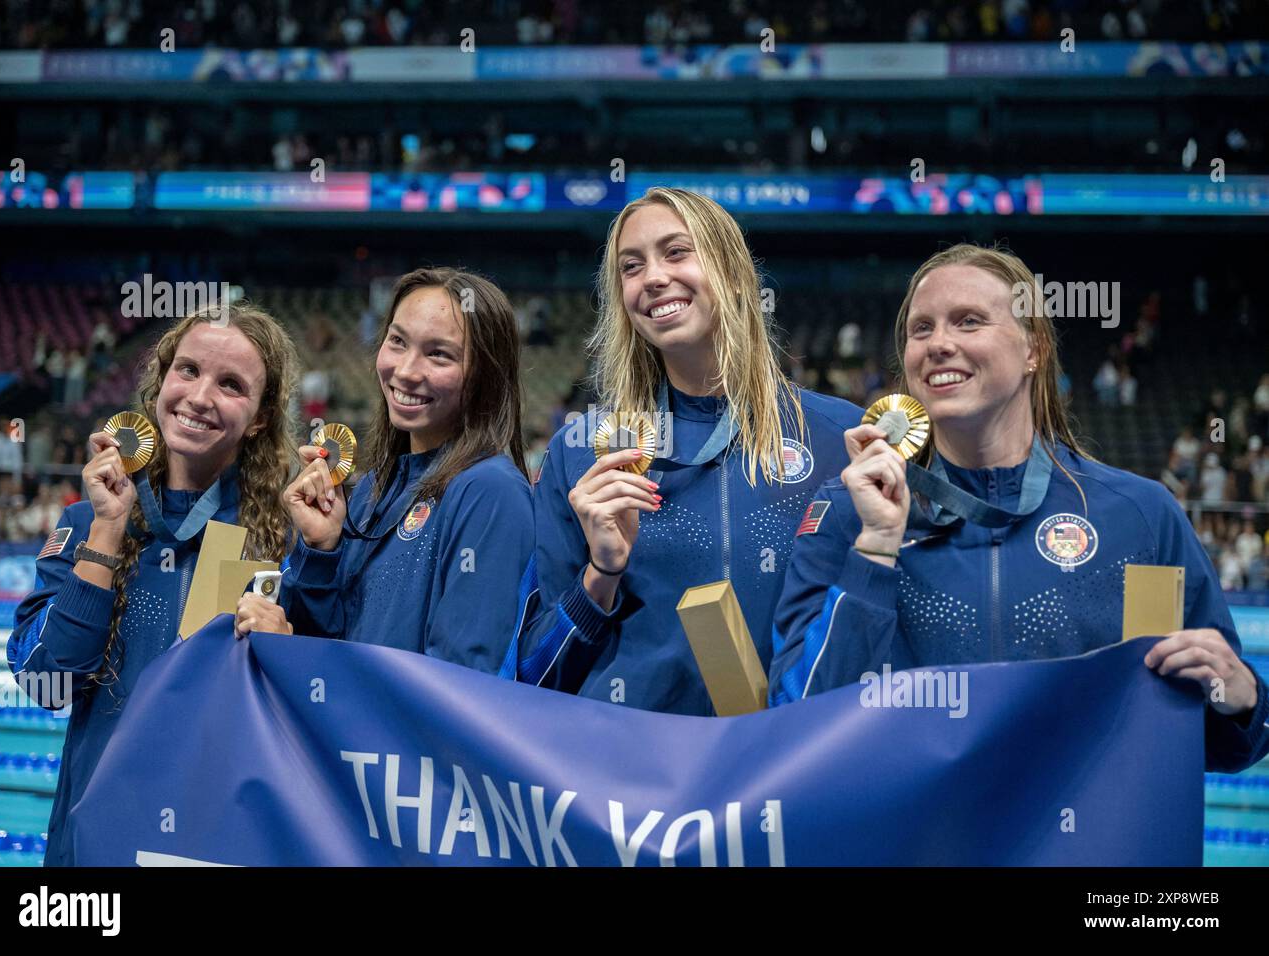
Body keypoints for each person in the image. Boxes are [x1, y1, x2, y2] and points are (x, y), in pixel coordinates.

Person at [769, 243, 1268, 772]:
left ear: (1034, 348)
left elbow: (1218, 741)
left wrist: (1241, 697)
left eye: (968, 322)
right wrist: (873, 551)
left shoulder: (1140, 516)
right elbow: (796, 723)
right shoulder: (849, 511)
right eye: (921, 329)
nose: (939, 343)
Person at [516, 187, 863, 715]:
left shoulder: (839, 437)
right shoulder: (584, 451)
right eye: (631, 267)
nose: (653, 277)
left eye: (677, 252)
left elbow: (873, 632)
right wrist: (601, 575)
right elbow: (533, 679)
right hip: (637, 780)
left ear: (731, 269)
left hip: (791, 770)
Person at [8, 303, 300, 865]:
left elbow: (311, 715)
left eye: (231, 384)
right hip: (95, 842)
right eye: (187, 370)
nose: (199, 396)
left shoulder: (281, 541)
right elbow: (46, 686)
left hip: (210, 841)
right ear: (161, 380)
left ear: (261, 417)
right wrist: (108, 532)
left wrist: (286, 651)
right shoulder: (87, 520)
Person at [248, 268, 533, 675]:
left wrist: (288, 652)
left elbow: (459, 688)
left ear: (485, 374)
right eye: (397, 342)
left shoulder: (490, 491)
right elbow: (332, 642)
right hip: (346, 738)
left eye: (439, 354)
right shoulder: (370, 491)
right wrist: (321, 550)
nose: (406, 371)